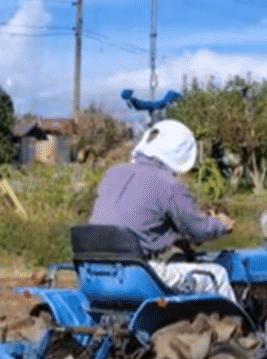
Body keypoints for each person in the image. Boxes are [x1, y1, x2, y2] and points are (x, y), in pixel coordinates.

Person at [87, 119, 238, 303]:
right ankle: (241, 329)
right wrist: (222, 224)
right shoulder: (169, 184)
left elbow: (139, 222)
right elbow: (198, 229)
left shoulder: (112, 173)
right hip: (137, 276)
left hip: (94, 273)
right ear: (179, 154)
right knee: (217, 275)